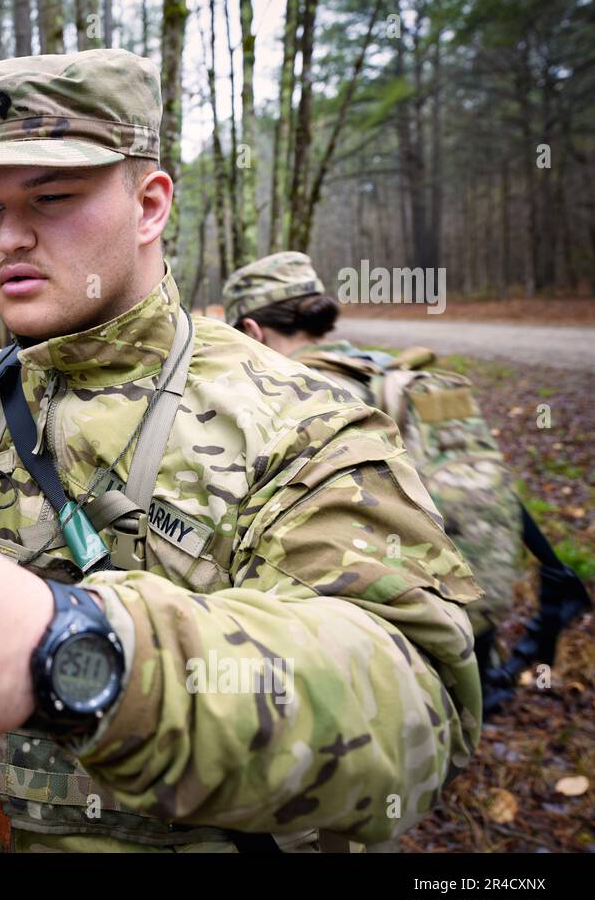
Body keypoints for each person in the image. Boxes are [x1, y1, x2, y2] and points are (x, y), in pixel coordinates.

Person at [0, 48, 482, 853]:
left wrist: (81, 652)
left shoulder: (296, 418)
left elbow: (418, 710)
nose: (11, 237)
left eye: (52, 197)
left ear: (149, 206)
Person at [222, 251, 590, 716]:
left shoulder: (300, 396)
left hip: (397, 630)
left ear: (252, 332)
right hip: (477, 593)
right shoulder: (392, 373)